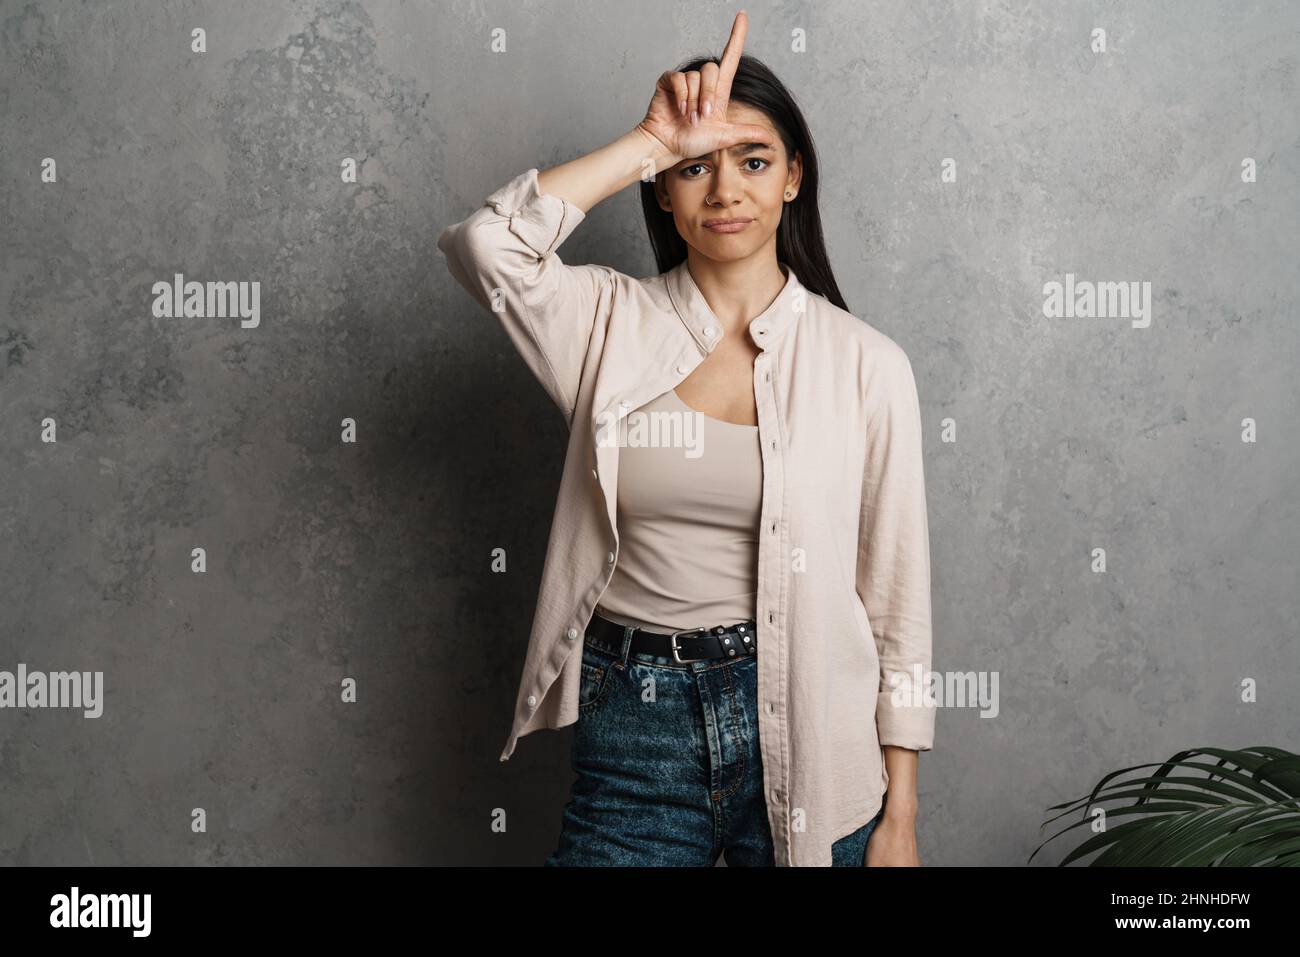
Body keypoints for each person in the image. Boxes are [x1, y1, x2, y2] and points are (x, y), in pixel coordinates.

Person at [437, 10, 935, 866]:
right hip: (633, 722)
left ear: (791, 178)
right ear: (663, 191)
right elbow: (489, 246)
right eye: (693, 169)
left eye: (752, 160)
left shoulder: (868, 366)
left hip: (813, 722)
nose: (725, 190)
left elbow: (896, 608)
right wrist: (649, 137)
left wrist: (901, 818)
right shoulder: (605, 321)